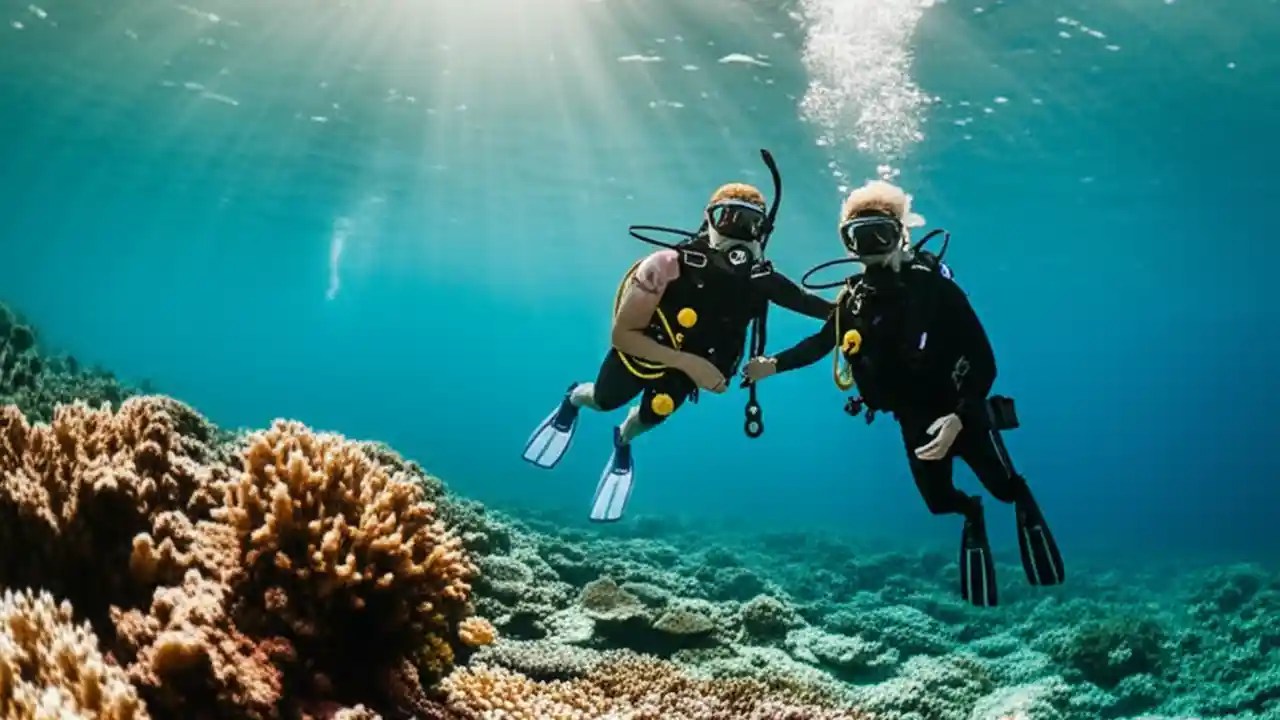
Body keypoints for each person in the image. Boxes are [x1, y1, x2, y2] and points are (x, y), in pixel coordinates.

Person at [742, 179, 1064, 608]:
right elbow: (822, 342)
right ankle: (972, 514)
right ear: (847, 243)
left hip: (958, 410)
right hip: (911, 418)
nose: (870, 247)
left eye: (881, 234)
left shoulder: (936, 290)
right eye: (858, 237)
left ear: (901, 236)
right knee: (938, 502)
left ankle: (1019, 499)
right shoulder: (853, 298)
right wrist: (774, 365)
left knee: (1003, 488)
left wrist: (960, 417)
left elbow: (984, 361)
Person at [522, 150, 832, 523]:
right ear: (708, 220)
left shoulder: (762, 281)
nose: (737, 233)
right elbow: (623, 336)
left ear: (763, 232)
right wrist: (692, 364)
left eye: (750, 224)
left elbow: (819, 306)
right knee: (604, 400)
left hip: (688, 373)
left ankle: (622, 440)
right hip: (640, 355)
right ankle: (573, 398)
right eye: (726, 218)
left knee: (653, 415)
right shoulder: (666, 265)